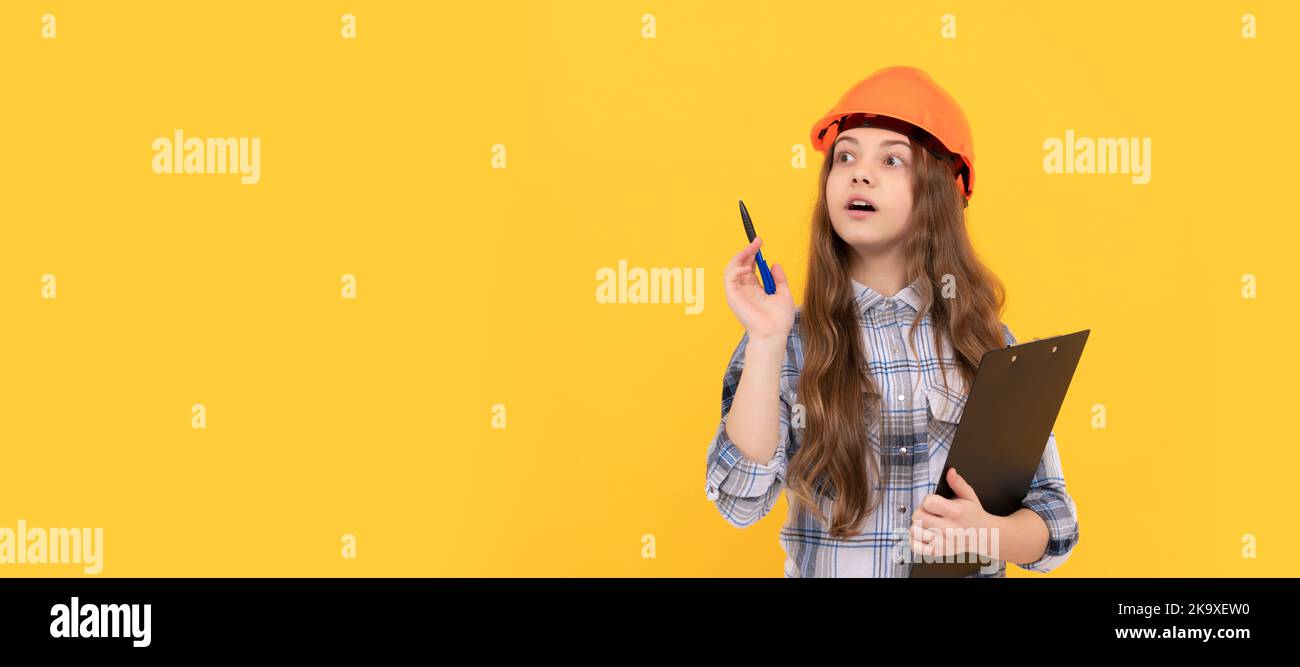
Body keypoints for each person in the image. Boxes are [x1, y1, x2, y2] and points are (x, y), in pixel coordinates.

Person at [704, 66, 1079, 577]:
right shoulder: (788, 340)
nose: (860, 172)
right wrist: (766, 340)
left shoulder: (984, 341)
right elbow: (738, 501)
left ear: (938, 193)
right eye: (846, 156)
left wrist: (988, 532)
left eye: (892, 159)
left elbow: (1055, 520)